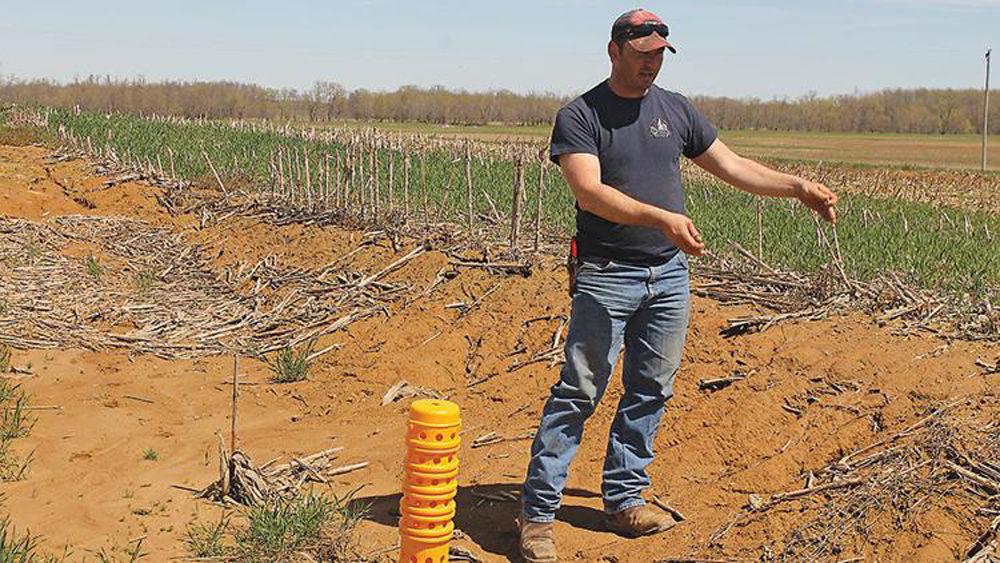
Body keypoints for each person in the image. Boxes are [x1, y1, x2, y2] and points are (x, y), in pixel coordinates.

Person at [518, 8, 839, 561]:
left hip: (668, 276)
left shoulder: (676, 109)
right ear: (614, 51)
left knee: (651, 389)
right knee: (580, 391)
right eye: (642, 55)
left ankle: (624, 498)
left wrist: (796, 186)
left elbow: (732, 165)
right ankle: (538, 514)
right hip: (606, 275)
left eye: (660, 56)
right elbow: (589, 193)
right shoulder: (580, 115)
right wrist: (661, 218)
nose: (651, 66)